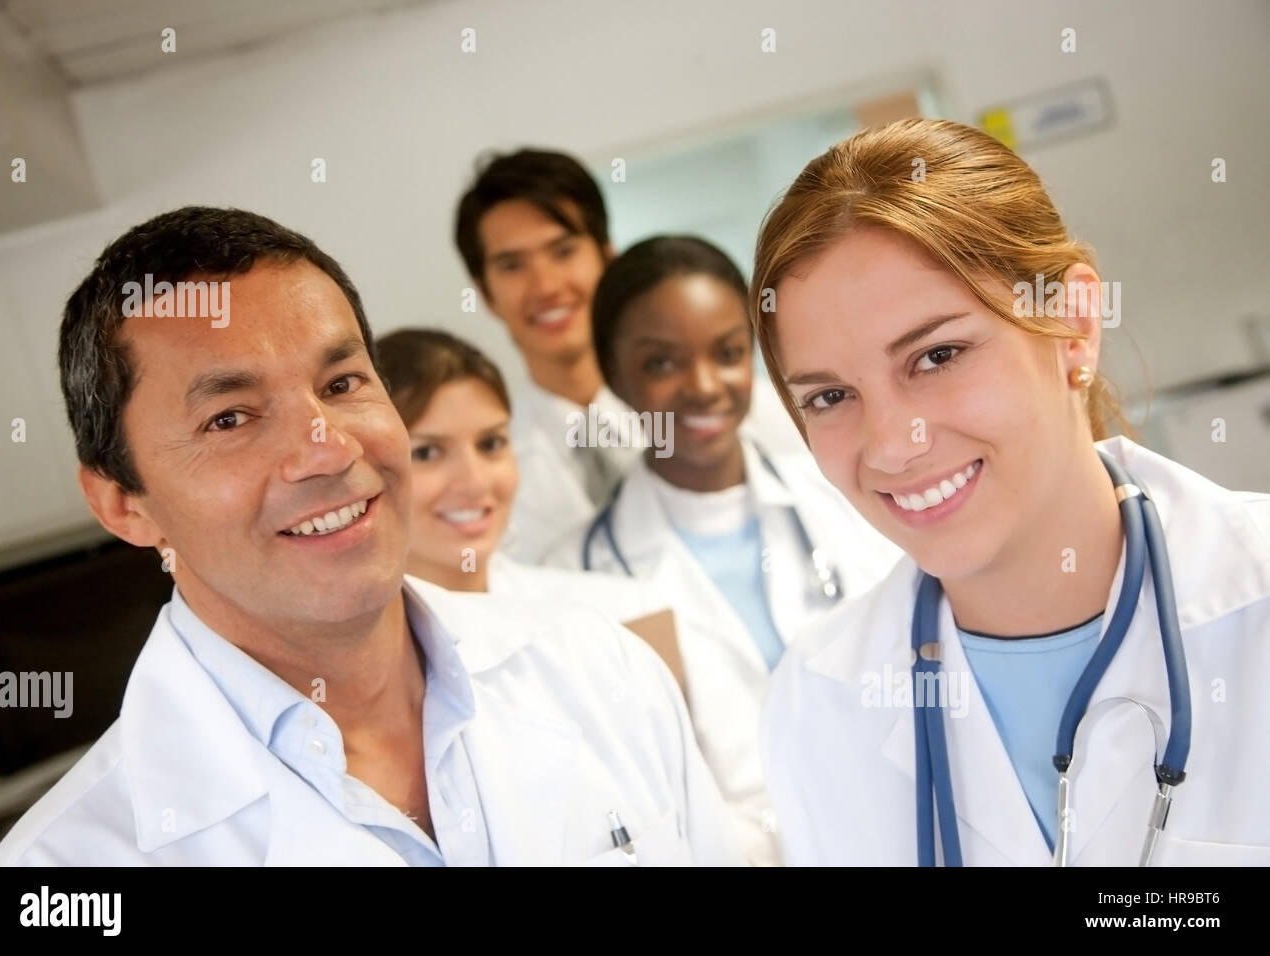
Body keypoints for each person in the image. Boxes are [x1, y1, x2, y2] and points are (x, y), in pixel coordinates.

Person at [0, 206, 740, 867]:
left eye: (342, 384)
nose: (328, 447)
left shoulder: (597, 670)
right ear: (122, 504)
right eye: (230, 418)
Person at [755, 118, 1270, 866]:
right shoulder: (816, 701)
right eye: (830, 396)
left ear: (1075, 327)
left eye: (937, 355)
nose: (894, 445)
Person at [551, 235, 901, 865]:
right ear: (614, 376)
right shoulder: (572, 576)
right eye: (663, 364)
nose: (704, 386)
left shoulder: (852, 499)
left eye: (729, 353)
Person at [454, 149, 802, 561]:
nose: (545, 286)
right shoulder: (489, 465)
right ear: (484, 293)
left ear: (607, 255)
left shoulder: (753, 408)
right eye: (512, 265)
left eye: (563, 251)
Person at [373, 326, 668, 625]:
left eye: (490, 444)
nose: (475, 482)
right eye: (426, 453)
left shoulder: (622, 613)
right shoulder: (340, 658)